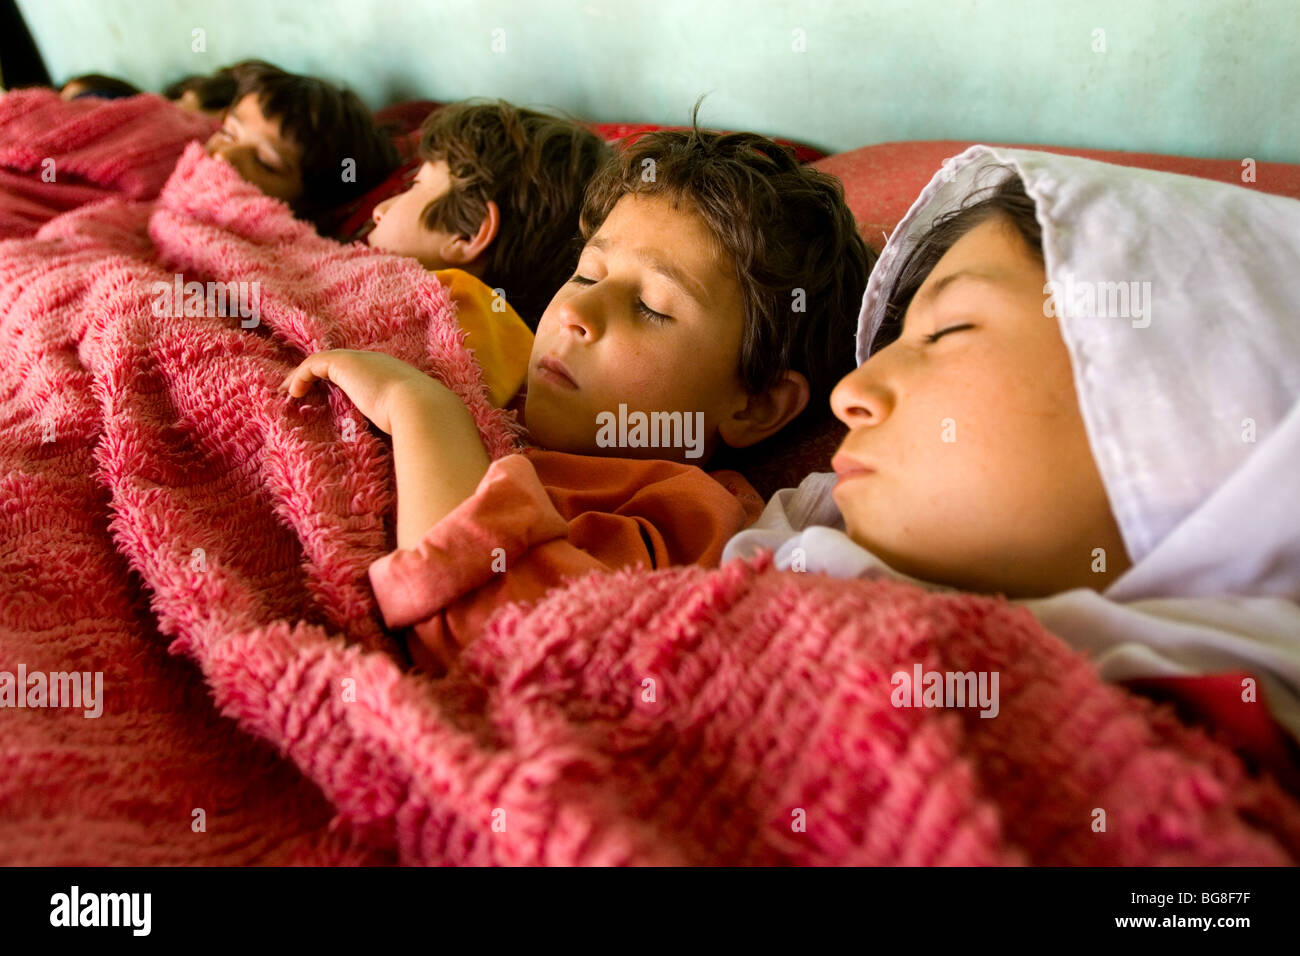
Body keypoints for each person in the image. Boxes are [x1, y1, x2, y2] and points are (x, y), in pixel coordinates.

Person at [281, 123, 873, 676]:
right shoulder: (491, 385)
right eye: (587, 275)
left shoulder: (686, 512)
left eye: (651, 307)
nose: (573, 311)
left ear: (756, 406)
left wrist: (423, 410)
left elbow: (501, 636)